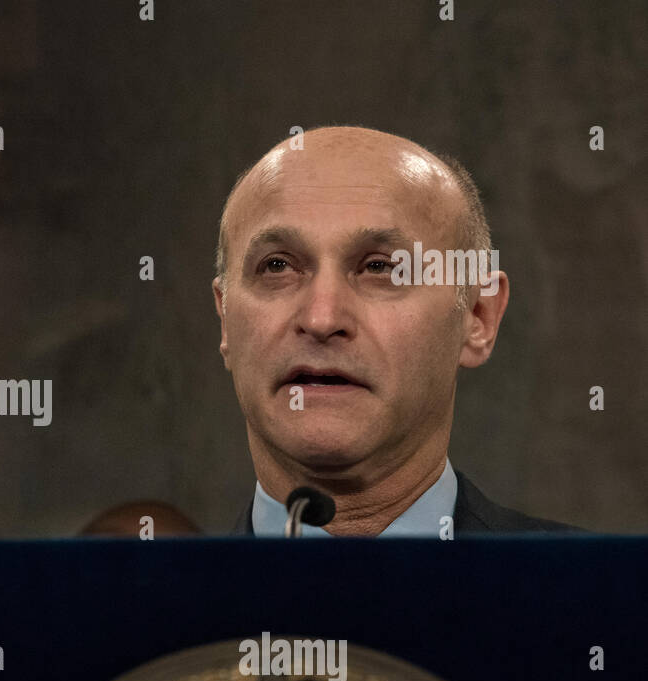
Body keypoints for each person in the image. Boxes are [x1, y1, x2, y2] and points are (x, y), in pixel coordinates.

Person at [212, 126, 580, 537]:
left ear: (478, 317)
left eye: (380, 267)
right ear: (225, 317)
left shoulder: (608, 593)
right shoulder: (147, 599)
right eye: (277, 265)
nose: (321, 319)